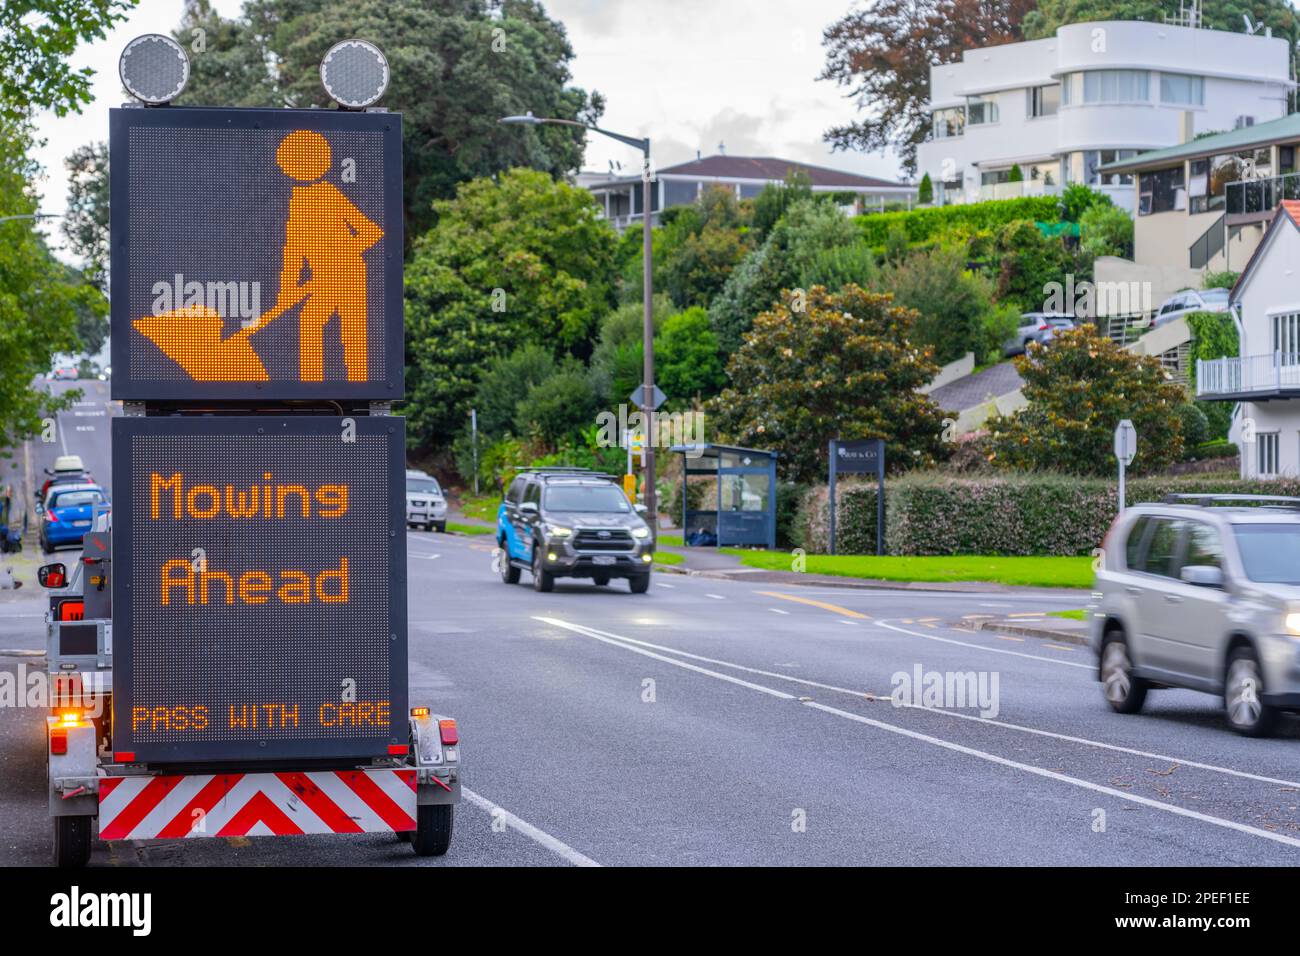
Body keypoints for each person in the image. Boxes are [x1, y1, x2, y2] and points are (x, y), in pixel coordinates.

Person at [271, 129, 383, 382]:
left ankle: (360, 384)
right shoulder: (297, 201)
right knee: (309, 322)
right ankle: (311, 386)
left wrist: (342, 256)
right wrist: (287, 288)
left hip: (351, 274)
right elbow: (294, 249)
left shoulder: (330, 194)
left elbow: (371, 231)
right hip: (323, 279)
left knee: (353, 332)